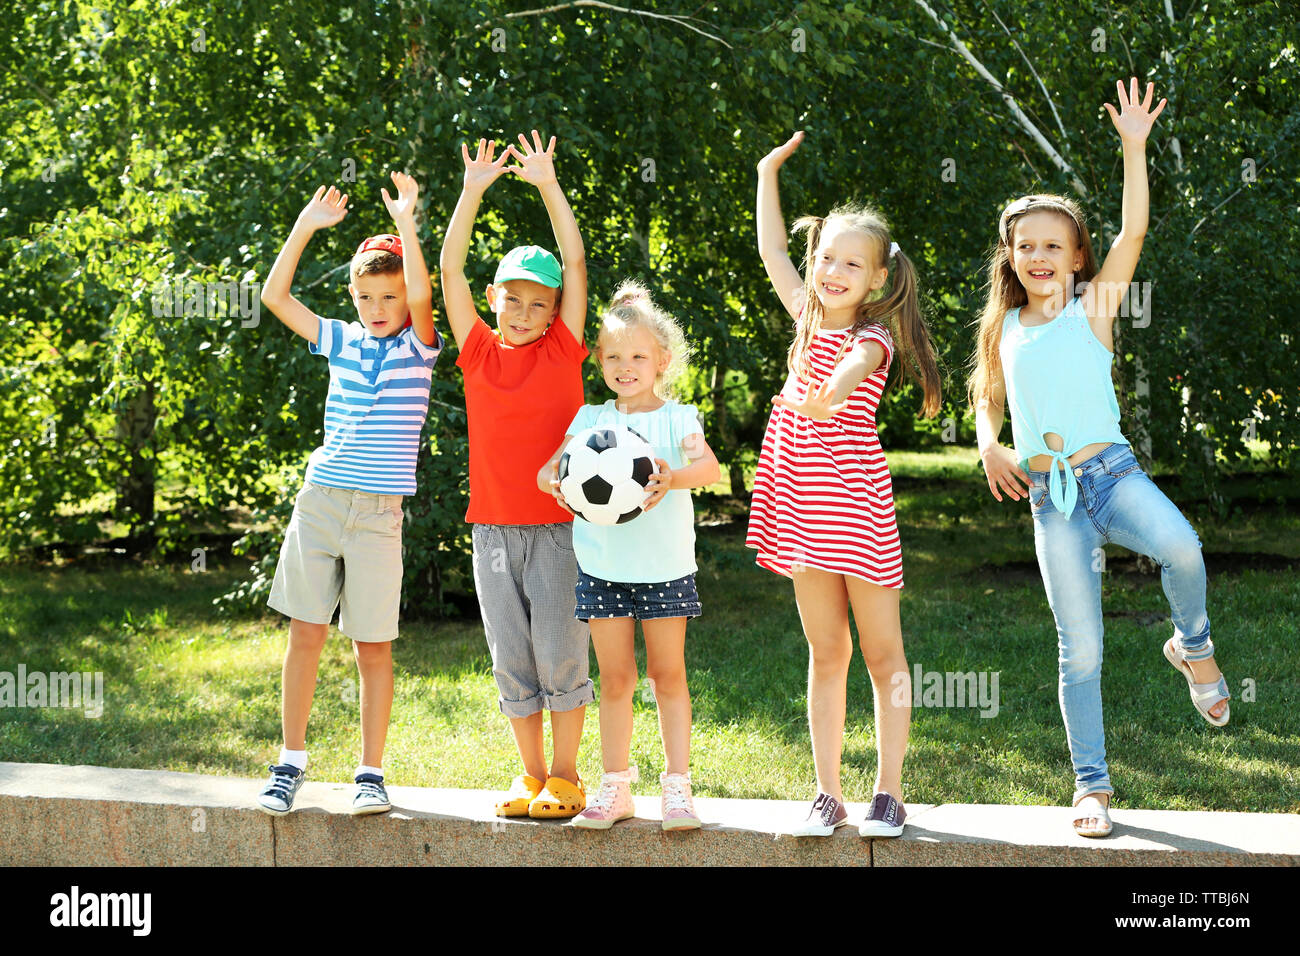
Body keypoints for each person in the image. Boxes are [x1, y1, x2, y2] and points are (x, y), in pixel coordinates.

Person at [968, 79, 1228, 838]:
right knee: (1079, 648)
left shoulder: (1094, 307)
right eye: (1026, 247)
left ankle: (1194, 645)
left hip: (1112, 477)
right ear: (1011, 258)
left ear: (1078, 255)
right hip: (1053, 501)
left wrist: (1134, 148)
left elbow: (1135, 233)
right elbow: (987, 392)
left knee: (1182, 545)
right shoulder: (1006, 324)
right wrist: (988, 442)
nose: (1039, 256)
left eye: (1054, 245)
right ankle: (1092, 787)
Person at [746, 131, 942, 838]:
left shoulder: (875, 337)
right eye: (825, 255)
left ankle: (888, 792)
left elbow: (853, 369)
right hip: (799, 507)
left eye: (849, 263)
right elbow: (772, 250)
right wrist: (768, 173)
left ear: (877, 280)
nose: (831, 270)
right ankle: (826, 794)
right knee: (826, 653)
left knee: (883, 652)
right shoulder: (803, 314)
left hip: (854, 514)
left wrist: (825, 393)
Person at [256, 173, 442, 816]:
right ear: (353, 296)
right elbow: (274, 295)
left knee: (372, 645)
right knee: (305, 634)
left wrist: (409, 221)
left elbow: (423, 291)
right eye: (365, 296)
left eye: (388, 296)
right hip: (322, 501)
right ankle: (290, 763)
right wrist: (306, 225)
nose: (377, 307)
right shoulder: (340, 337)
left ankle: (370, 773)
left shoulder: (420, 348)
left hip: (377, 516)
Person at [440, 132, 592, 818]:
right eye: (515, 300)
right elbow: (448, 273)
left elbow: (578, 260)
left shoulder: (564, 351)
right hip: (492, 531)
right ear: (495, 297)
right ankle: (529, 777)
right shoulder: (476, 351)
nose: (526, 313)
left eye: (541, 302)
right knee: (512, 658)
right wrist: (472, 191)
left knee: (562, 653)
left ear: (556, 310)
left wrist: (548, 186)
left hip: (560, 529)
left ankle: (566, 776)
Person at [537, 281, 721, 830]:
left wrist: (673, 478)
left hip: (664, 570)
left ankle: (677, 790)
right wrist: (554, 481)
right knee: (615, 680)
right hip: (603, 570)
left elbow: (709, 470)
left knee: (668, 676)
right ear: (599, 360)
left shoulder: (678, 419)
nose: (626, 365)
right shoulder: (590, 421)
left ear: (662, 360)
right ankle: (616, 788)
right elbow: (548, 470)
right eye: (614, 355)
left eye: (638, 355)